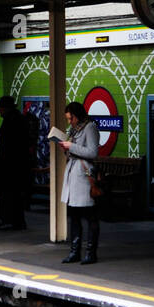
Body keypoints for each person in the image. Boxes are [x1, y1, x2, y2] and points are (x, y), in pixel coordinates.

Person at [58, 101, 101, 264]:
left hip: (84, 176)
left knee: (90, 216)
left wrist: (72, 146)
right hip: (73, 175)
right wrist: (66, 149)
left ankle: (91, 253)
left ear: (77, 115)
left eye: (71, 118)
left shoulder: (90, 127)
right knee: (74, 216)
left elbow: (93, 152)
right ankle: (74, 251)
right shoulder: (74, 130)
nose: (70, 122)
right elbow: (73, 152)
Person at [0, 95, 31, 230]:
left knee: (7, 195)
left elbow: (7, 145)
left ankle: (7, 220)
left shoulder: (11, 121)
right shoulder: (19, 119)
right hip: (17, 165)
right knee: (15, 195)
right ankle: (16, 221)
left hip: (9, 166)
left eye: (1, 108)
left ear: (5, 108)